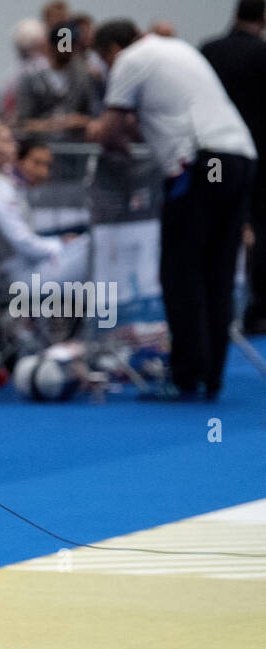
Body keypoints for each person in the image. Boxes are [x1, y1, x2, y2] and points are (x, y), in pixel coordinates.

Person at [89, 20, 258, 399]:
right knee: (217, 269)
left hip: (199, 161)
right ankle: (211, 373)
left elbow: (111, 129)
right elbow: (155, 119)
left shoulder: (131, 59)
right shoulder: (178, 49)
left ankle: (186, 372)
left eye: (103, 59)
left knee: (181, 270)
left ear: (113, 48)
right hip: (239, 156)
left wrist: (94, 131)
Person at [200, 0, 266, 333]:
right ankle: (257, 309)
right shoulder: (261, 52)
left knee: (213, 226)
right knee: (259, 228)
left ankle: (213, 310)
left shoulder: (209, 50)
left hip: (212, 157)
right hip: (253, 158)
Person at [0, 119, 90, 286]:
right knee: (92, 245)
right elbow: (23, 242)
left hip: (16, 268)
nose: (15, 146)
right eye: (6, 141)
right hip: (23, 275)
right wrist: (61, 244)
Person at [15, 19, 98, 140]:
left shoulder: (84, 77)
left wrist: (77, 121)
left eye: (71, 44)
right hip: (42, 147)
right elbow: (23, 122)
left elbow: (94, 116)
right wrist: (54, 124)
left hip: (75, 149)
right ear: (50, 45)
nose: (68, 49)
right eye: (63, 44)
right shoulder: (32, 77)